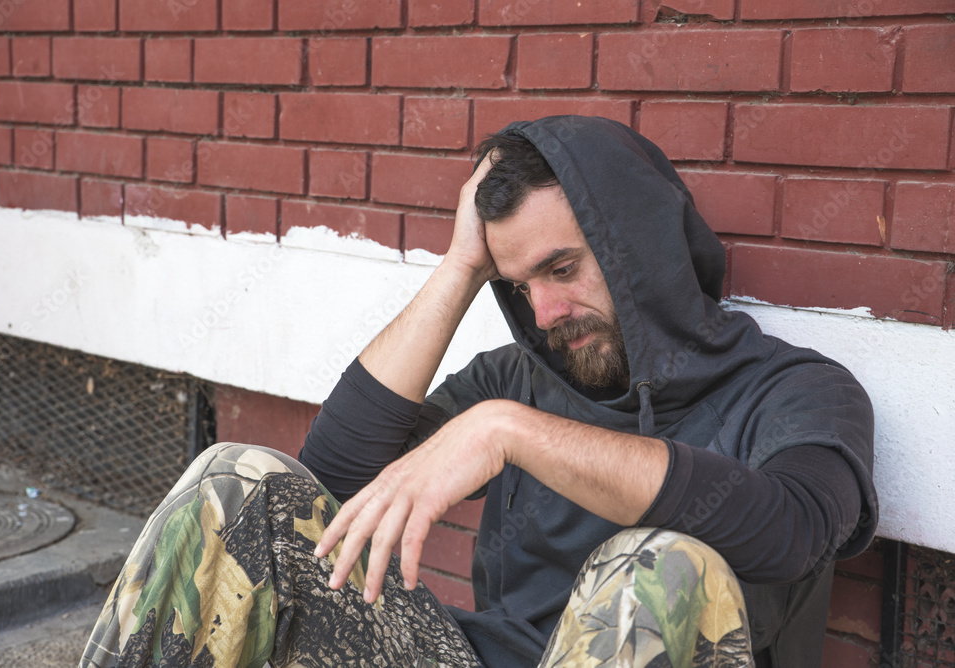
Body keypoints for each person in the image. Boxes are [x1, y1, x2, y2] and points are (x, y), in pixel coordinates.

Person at [80, 116, 877, 668]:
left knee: (660, 566)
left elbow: (793, 530)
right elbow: (326, 487)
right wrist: (463, 265)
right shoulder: (520, 377)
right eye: (518, 283)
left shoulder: (797, 391)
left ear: (642, 250)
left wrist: (512, 434)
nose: (547, 313)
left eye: (562, 270)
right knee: (239, 486)